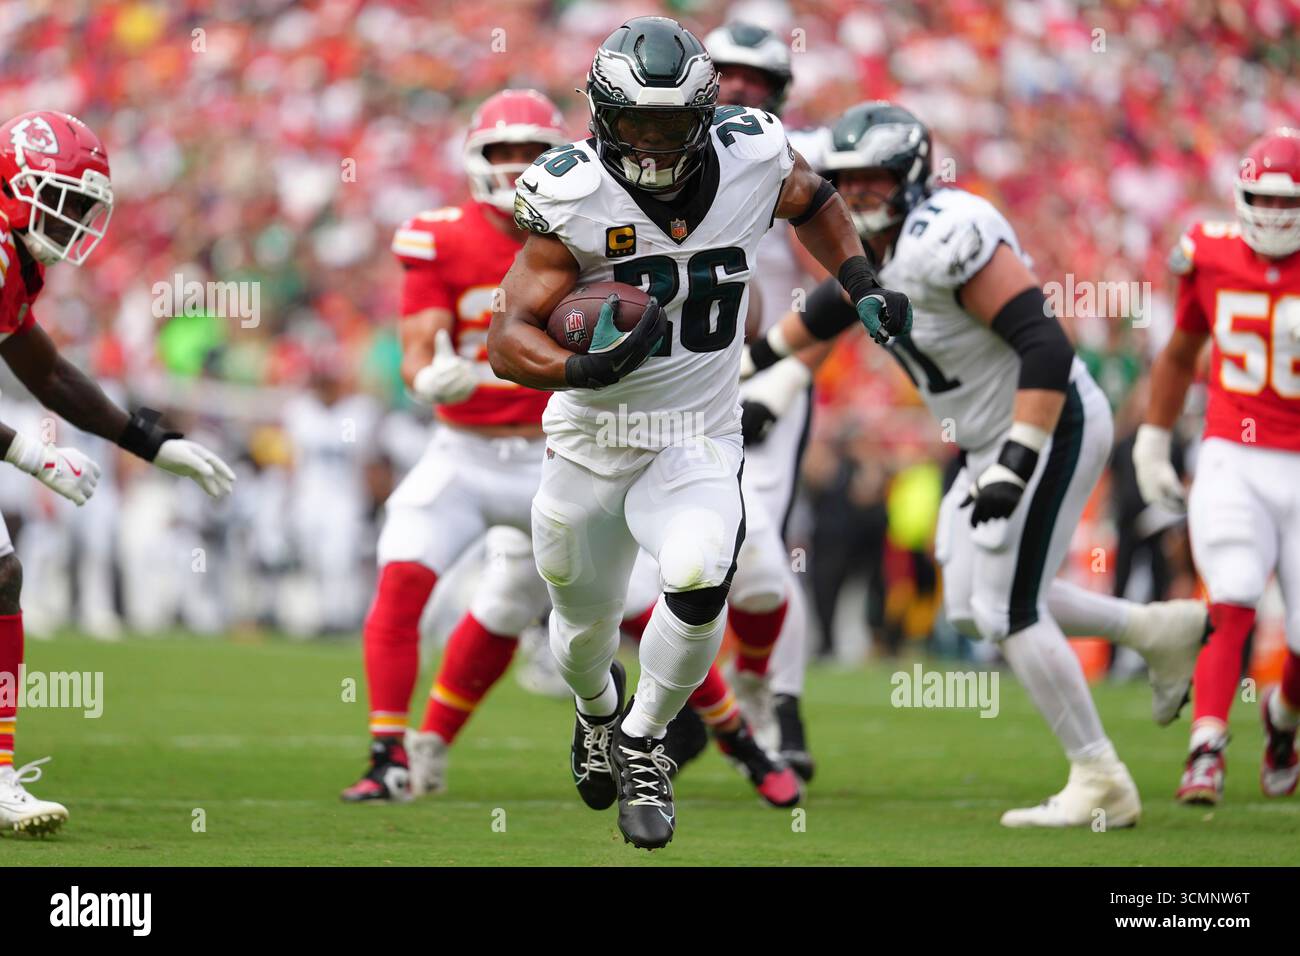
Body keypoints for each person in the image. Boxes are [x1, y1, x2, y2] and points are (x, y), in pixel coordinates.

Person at [488, 18, 910, 849]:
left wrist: (858, 277)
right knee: (582, 628)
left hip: (696, 434)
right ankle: (597, 710)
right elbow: (507, 337)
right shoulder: (571, 191)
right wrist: (582, 369)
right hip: (590, 440)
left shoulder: (751, 153)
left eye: (669, 122)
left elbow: (816, 198)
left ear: (706, 113)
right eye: (634, 120)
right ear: (604, 115)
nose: (650, 139)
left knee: (699, 569)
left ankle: (644, 742)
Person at [746, 101, 1208, 828]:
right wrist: (740, 371)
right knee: (970, 606)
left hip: (1048, 422)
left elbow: (1048, 348)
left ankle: (1102, 779)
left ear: (911, 175)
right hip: (992, 438)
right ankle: (1153, 632)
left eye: (875, 177)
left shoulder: (947, 233)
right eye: (846, 179)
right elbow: (816, 320)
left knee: (1008, 609)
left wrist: (1013, 464)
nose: (858, 192)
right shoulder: (874, 257)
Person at [0, 111, 235, 835]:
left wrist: (150, 442)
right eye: (62, 198)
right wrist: (31, 455)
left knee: (0, 578)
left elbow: (42, 368)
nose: (72, 220)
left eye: (80, 204)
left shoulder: (15, 257)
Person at [342, 90, 567, 802]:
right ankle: (388, 756)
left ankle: (724, 734)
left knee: (639, 602)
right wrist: (426, 378)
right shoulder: (439, 235)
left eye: (532, 152)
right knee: (401, 581)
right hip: (462, 452)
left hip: (557, 455)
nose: (516, 166)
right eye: (502, 151)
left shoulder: (588, 233)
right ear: (475, 157)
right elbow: (416, 348)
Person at [1134, 127, 1300, 804]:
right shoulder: (1208, 252)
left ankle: (1281, 719)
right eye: (1259, 198)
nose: (1271, 215)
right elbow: (1181, 351)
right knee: (1230, 591)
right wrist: (1152, 436)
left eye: (1286, 203)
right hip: (1233, 450)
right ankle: (1207, 747)